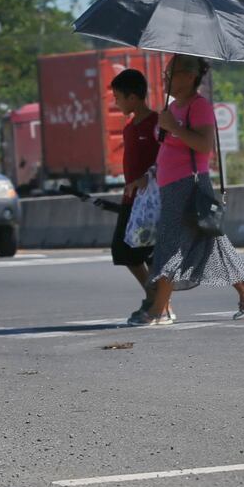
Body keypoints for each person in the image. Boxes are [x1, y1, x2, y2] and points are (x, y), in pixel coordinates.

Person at [127, 54, 244, 326]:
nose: (165, 79)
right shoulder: (173, 107)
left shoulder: (198, 106)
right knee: (209, 242)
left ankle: (158, 309)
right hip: (169, 186)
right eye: (165, 74)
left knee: (169, 244)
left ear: (189, 77)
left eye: (171, 74)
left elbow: (203, 146)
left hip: (188, 184)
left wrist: (174, 127)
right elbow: (167, 148)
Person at [100, 68, 162, 317]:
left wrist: (147, 178)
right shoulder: (129, 127)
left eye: (118, 97)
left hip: (151, 200)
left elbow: (166, 159)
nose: (116, 102)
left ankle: (158, 301)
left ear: (133, 97)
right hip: (131, 198)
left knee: (149, 251)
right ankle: (154, 293)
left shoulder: (158, 123)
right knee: (123, 249)